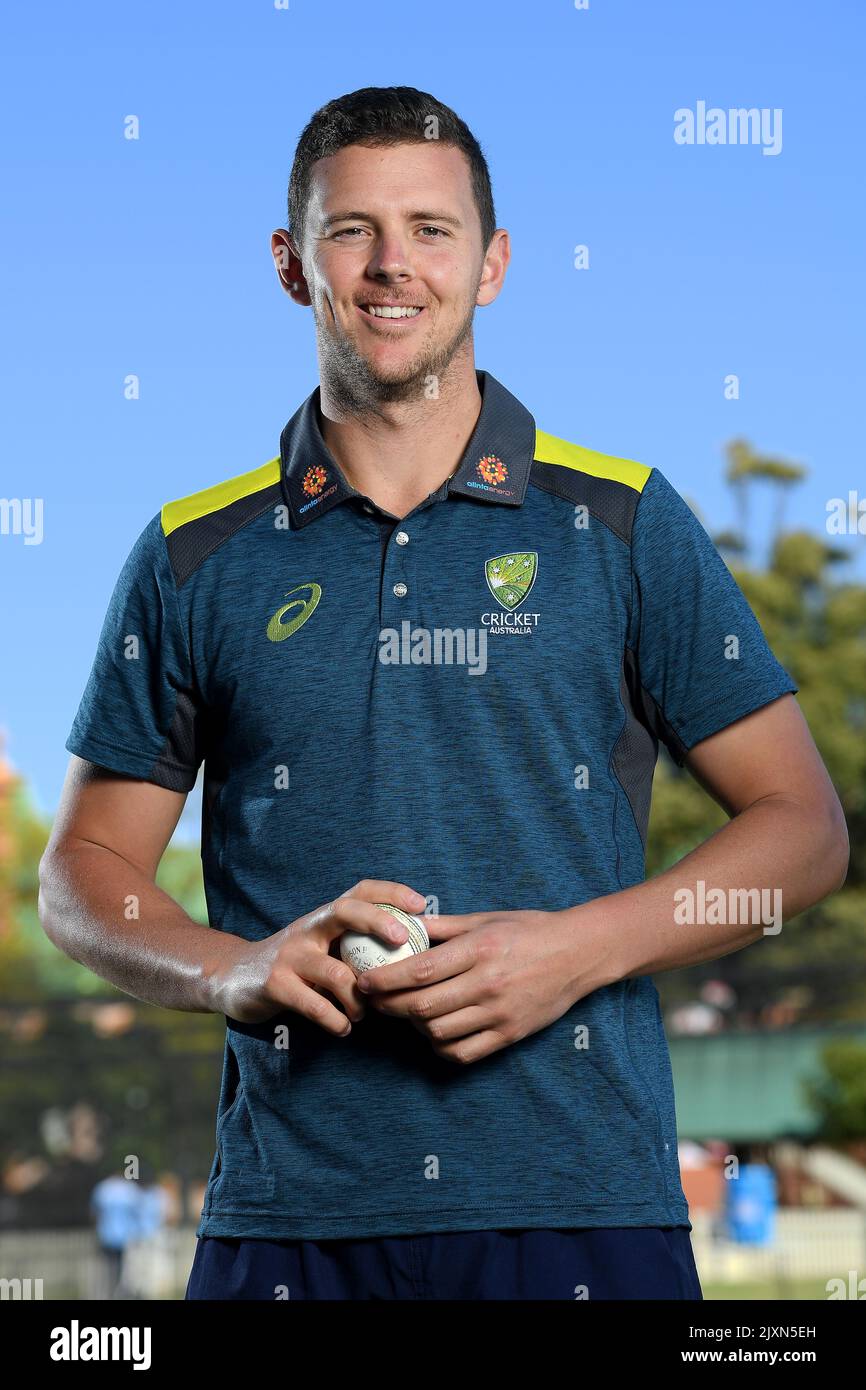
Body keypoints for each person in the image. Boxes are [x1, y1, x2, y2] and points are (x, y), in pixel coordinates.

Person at [39, 86, 849, 1301]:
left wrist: (573, 951)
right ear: (289, 263)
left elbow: (801, 829)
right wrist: (229, 969)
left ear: (493, 262)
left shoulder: (621, 522)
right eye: (349, 228)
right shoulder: (193, 553)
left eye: (430, 228)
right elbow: (82, 871)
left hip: (582, 1209)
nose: (389, 267)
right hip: (289, 1220)